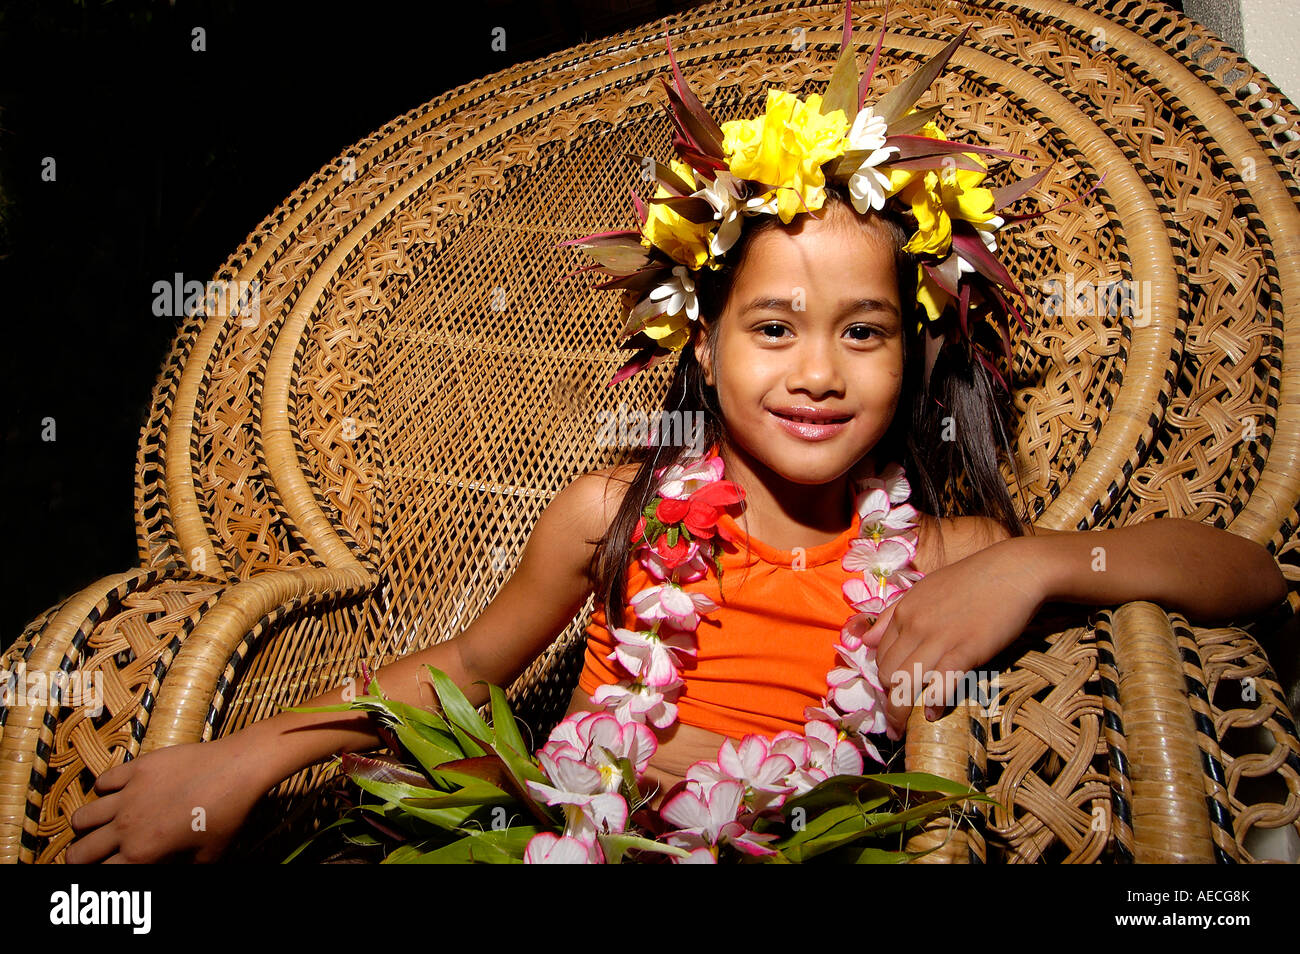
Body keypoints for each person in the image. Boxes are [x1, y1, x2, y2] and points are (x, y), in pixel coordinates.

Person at [65, 7, 1288, 864]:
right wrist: (247, 760)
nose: (816, 371)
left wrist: (1029, 565)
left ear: (913, 355)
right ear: (701, 346)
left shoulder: (937, 551)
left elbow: (1245, 573)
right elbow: (459, 671)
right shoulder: (618, 514)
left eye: (863, 332)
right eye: (772, 328)